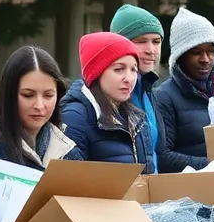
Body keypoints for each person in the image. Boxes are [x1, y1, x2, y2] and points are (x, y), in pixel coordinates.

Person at [154, 7, 214, 172]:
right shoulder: (164, 96)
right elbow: (164, 157)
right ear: (181, 56)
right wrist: (213, 166)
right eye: (196, 52)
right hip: (191, 192)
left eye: (210, 52)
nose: (205, 59)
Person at [59, 32, 155, 169]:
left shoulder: (136, 117)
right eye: (119, 69)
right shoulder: (75, 117)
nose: (129, 78)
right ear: (97, 73)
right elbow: (71, 181)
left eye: (133, 69)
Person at [0, 45, 81, 167]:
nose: (39, 106)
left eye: (48, 95)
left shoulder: (67, 152)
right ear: (8, 94)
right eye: (28, 95)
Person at [110, 4, 166, 168]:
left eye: (156, 42)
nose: (151, 50)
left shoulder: (148, 91)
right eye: (140, 42)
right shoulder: (109, 96)